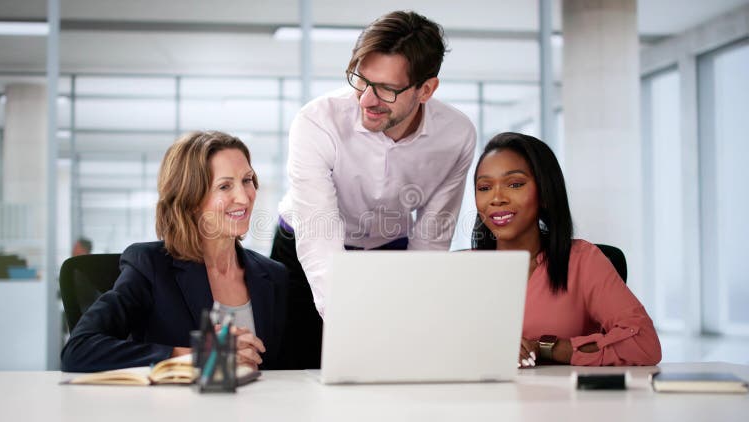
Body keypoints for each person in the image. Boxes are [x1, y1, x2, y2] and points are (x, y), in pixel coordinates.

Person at [272, 10, 477, 369]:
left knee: (392, 363)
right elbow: (320, 236)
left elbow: (431, 238)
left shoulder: (456, 136)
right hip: (303, 247)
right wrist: (348, 325)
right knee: (295, 366)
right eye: (361, 80)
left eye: (386, 88)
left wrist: (413, 321)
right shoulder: (317, 122)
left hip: (389, 249)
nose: (366, 99)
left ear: (426, 90)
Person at [61, 131, 288, 372]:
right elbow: (79, 349)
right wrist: (196, 355)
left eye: (247, 180)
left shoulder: (274, 275)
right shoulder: (149, 266)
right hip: (177, 409)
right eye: (224, 186)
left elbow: (290, 370)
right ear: (191, 200)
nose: (244, 197)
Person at [472, 132, 662, 366]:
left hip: (562, 399)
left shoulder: (583, 261)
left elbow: (644, 344)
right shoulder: (459, 270)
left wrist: (546, 348)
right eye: (484, 187)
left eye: (515, 184)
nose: (496, 198)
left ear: (544, 193)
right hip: (478, 400)